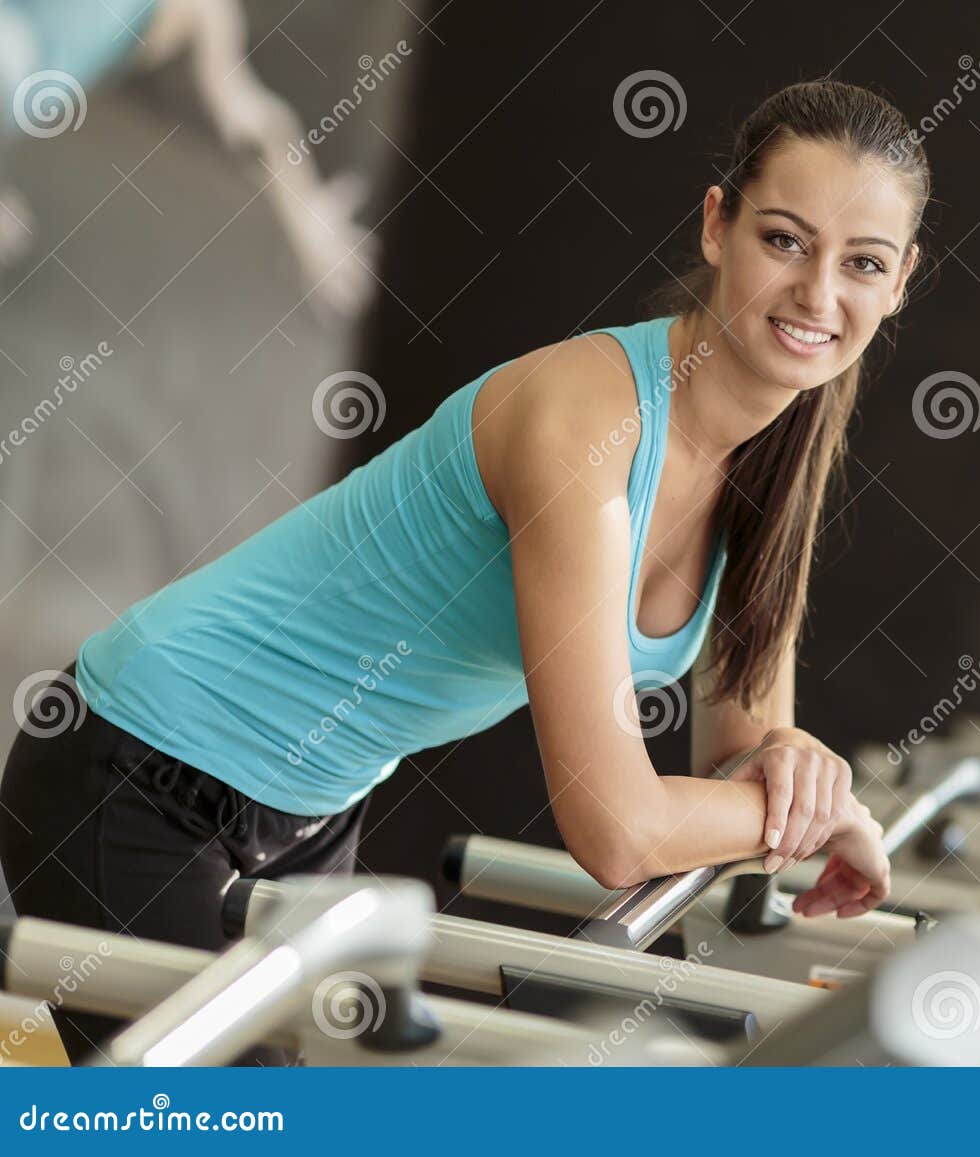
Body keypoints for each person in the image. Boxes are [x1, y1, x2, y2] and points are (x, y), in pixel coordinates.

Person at [0, 77, 927, 1062]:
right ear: (716, 227)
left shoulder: (776, 459)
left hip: (308, 808)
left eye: (861, 262)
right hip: (144, 768)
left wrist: (790, 774)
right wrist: (828, 814)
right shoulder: (585, 420)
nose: (819, 293)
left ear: (901, 280)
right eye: (784, 240)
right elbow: (617, 825)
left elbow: (735, 754)